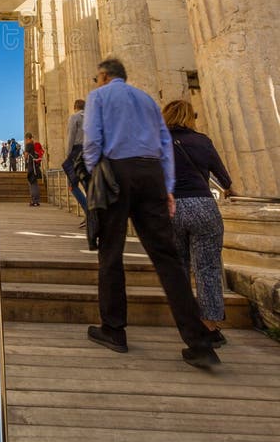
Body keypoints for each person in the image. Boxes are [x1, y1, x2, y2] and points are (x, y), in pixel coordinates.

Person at [83, 58, 221, 369]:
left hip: (116, 171)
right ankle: (199, 342)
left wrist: (96, 176)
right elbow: (164, 144)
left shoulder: (99, 97)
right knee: (167, 258)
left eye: (96, 77)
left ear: (103, 76)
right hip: (152, 175)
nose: (95, 82)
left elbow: (92, 141)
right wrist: (168, 187)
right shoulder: (146, 99)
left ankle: (114, 330)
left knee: (110, 253)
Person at [163, 100, 234, 345]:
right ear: (190, 118)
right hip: (203, 206)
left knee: (179, 269)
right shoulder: (203, 141)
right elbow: (224, 179)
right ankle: (210, 326)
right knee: (208, 268)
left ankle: (187, 323)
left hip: (171, 208)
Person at [62, 99, 88, 218]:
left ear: (75, 107)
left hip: (76, 152)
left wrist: (68, 155)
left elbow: (71, 136)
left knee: (72, 185)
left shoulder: (74, 117)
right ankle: (93, 214)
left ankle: (89, 212)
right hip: (90, 152)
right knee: (88, 184)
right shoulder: (91, 117)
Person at [24, 132, 42, 206]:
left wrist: (25, 155)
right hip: (35, 166)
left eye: (25, 139)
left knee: (32, 183)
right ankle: (36, 200)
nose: (25, 140)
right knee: (35, 183)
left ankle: (34, 200)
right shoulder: (34, 144)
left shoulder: (29, 145)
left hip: (32, 166)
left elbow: (26, 155)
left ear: (28, 138)